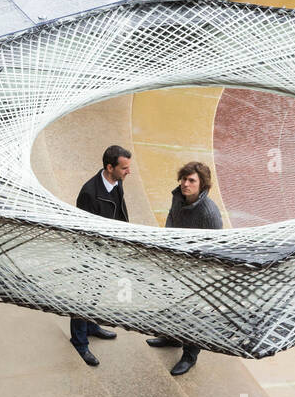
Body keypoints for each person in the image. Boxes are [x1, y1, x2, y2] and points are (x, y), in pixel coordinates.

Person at [148, 161, 223, 376]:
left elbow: (215, 247)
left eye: (191, 180)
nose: (185, 184)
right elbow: (171, 220)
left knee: (193, 314)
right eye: (184, 179)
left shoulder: (209, 213)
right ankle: (172, 337)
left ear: (203, 186)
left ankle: (190, 355)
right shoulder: (177, 197)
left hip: (197, 270)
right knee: (172, 302)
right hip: (176, 263)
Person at [69, 144, 131, 366]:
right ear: (109, 167)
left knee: (96, 293)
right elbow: (85, 231)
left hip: (108, 253)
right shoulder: (89, 193)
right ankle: (79, 342)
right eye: (124, 168)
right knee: (82, 298)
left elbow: (121, 212)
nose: (128, 172)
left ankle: (91, 326)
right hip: (90, 255)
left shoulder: (117, 182)